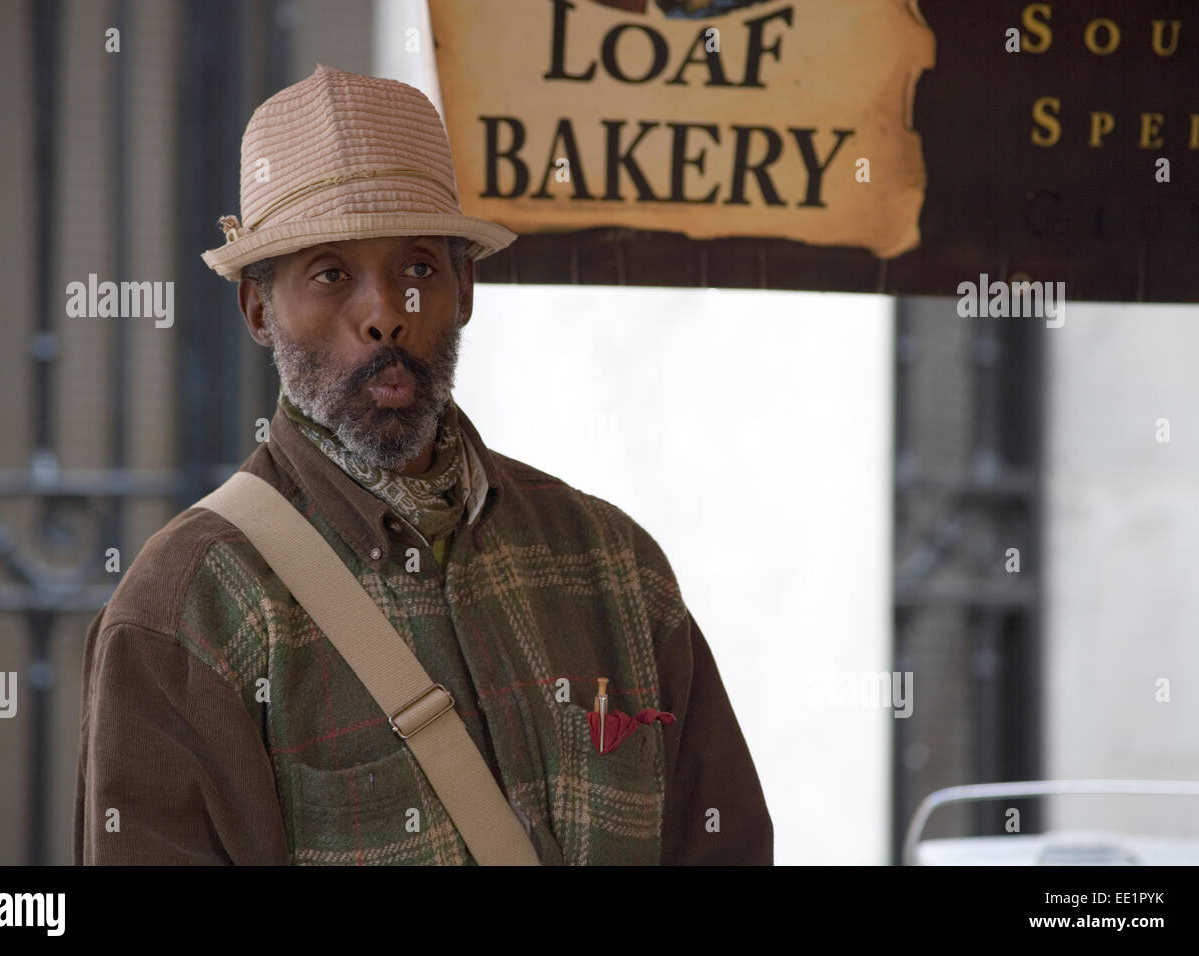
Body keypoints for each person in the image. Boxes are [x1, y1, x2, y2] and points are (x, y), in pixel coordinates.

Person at [73, 65, 772, 865]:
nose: (385, 315)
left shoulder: (613, 564)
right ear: (260, 310)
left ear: (465, 287)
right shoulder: (184, 613)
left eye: (418, 268)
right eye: (331, 273)